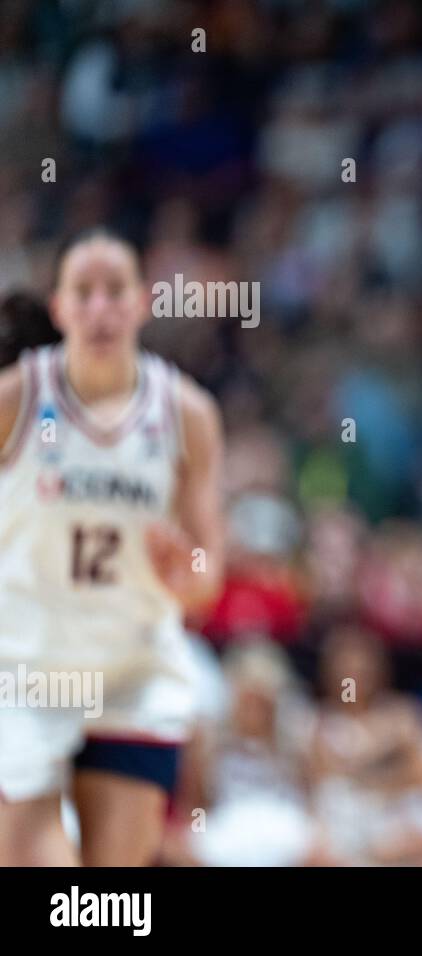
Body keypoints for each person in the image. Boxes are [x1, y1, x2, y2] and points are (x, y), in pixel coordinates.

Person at [0, 228, 225, 865]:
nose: (100, 307)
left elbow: (210, 571)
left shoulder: (186, 413)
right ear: (60, 307)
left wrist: (191, 572)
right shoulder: (17, 399)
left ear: (143, 302)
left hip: (132, 674)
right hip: (29, 673)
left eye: (114, 291)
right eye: (84, 292)